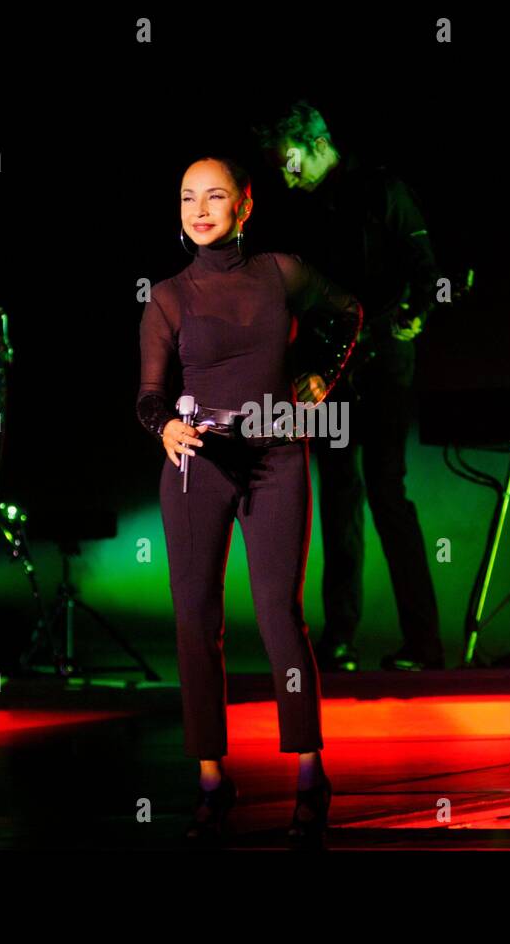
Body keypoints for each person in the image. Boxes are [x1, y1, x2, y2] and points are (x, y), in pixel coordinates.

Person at [137, 156, 362, 847]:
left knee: (279, 615)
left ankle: (309, 773)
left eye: (214, 196)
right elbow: (148, 393)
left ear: (244, 204)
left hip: (276, 455)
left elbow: (350, 310)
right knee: (195, 619)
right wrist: (162, 425)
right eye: (187, 198)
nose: (199, 209)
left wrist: (321, 375)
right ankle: (212, 778)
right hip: (198, 462)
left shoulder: (279, 273)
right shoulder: (168, 295)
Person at [254, 101, 445, 671]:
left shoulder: (384, 190)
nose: (286, 177)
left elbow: (425, 269)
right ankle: (338, 639)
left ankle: (423, 643)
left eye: (290, 163)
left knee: (386, 489)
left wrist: (416, 313)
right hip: (329, 374)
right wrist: (304, 364)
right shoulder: (308, 214)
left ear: (317, 143)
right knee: (338, 496)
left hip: (385, 364)